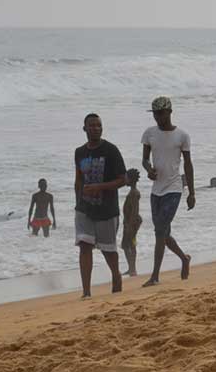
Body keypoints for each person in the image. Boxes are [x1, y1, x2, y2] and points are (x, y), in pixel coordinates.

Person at [140, 96, 194, 287]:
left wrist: (192, 193)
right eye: (155, 114)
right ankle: (184, 258)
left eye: (161, 113)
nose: (158, 117)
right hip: (156, 191)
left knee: (160, 231)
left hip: (174, 188)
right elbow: (145, 160)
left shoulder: (182, 136)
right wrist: (149, 170)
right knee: (161, 232)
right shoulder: (149, 134)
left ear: (170, 112)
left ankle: (155, 276)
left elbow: (188, 164)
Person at [73, 113, 127, 298]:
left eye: (99, 125)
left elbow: (123, 179)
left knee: (108, 249)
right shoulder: (79, 152)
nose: (96, 128)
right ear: (84, 129)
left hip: (107, 209)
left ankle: (116, 275)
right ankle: (86, 291)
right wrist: (77, 201)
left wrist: (99, 187)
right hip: (84, 209)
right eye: (92, 125)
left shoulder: (111, 150)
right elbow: (78, 179)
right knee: (84, 246)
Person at [121, 169, 141, 277]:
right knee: (129, 244)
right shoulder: (132, 192)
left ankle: (132, 269)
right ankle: (131, 268)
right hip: (129, 222)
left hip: (131, 223)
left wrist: (130, 225)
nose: (125, 180)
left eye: (126, 178)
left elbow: (134, 211)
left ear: (131, 179)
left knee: (128, 245)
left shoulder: (134, 193)